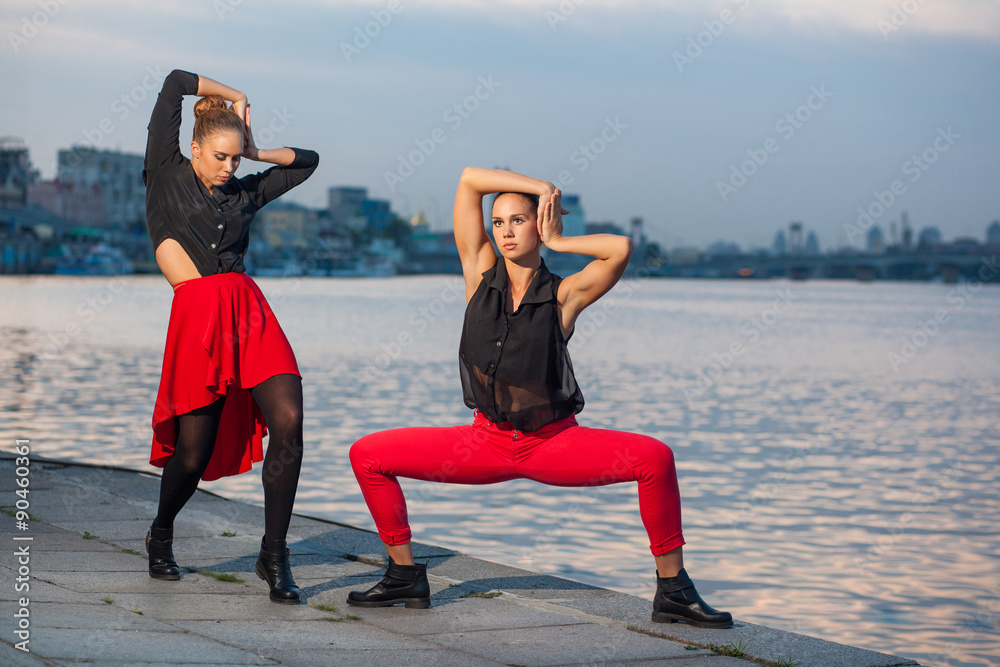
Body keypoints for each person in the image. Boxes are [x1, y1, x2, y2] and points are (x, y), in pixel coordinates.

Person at [347, 168, 732, 628]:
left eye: (518, 221)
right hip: (482, 443)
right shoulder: (478, 275)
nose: (506, 231)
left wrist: (560, 240)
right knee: (367, 455)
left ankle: (673, 591)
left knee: (655, 458)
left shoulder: (564, 295)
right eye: (498, 222)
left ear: (539, 225)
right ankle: (404, 575)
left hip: (551, 445)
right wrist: (539, 187)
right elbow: (470, 179)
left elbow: (620, 249)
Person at [142, 69, 319, 605]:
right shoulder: (165, 173)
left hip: (247, 311)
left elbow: (309, 162)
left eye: (236, 158)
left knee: (289, 419)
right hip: (199, 320)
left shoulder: (245, 191)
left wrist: (257, 147)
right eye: (220, 156)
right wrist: (236, 95)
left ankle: (274, 553)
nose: (229, 167)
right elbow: (174, 82)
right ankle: (162, 532)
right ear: (193, 149)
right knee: (192, 455)